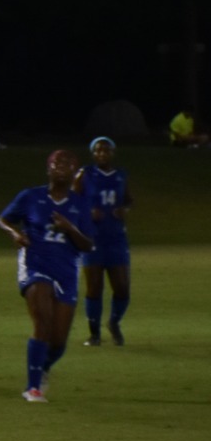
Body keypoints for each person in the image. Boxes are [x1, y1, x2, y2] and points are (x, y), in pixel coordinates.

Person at [0, 150, 97, 401]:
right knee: (42, 320)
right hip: (35, 263)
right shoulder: (30, 196)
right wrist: (15, 233)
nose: (60, 166)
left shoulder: (80, 204)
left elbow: (87, 245)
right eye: (55, 163)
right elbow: (3, 219)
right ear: (48, 169)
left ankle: (43, 368)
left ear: (75, 171)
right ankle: (32, 388)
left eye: (67, 163)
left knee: (58, 341)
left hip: (66, 270)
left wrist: (69, 227)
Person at [76, 137, 134, 347]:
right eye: (98, 150)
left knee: (122, 288)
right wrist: (87, 212)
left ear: (112, 153)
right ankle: (94, 334)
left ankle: (114, 322)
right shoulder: (85, 174)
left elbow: (128, 200)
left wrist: (124, 210)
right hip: (92, 239)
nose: (102, 154)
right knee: (94, 287)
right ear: (93, 153)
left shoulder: (120, 176)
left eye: (106, 150)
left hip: (116, 238)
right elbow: (71, 201)